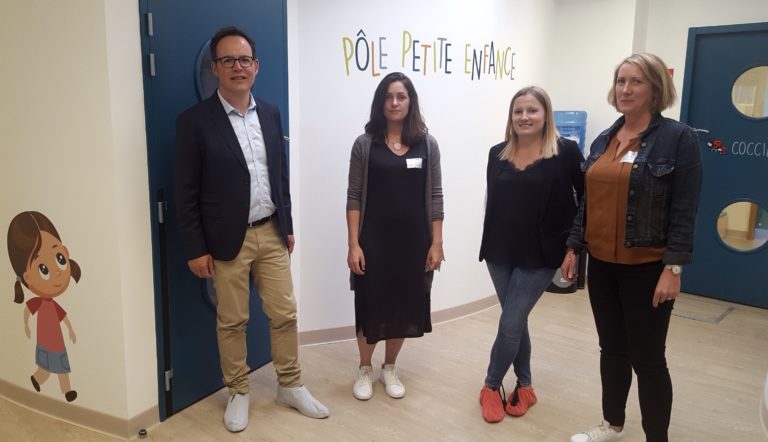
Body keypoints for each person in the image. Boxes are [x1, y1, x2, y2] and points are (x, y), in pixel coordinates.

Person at [174, 26, 328, 432]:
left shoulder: (272, 113)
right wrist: (195, 247)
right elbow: (185, 192)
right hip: (226, 241)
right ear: (215, 68)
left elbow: (279, 175)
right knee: (232, 321)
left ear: (256, 67)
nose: (237, 67)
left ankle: (290, 385)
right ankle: (238, 391)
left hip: (272, 232)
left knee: (285, 313)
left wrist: (288, 225)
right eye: (228, 60)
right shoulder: (194, 122)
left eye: (244, 60)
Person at [563, 53, 702, 442]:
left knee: (649, 360)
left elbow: (685, 210)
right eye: (621, 80)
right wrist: (574, 246)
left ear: (656, 88)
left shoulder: (678, 139)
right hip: (603, 266)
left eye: (636, 81)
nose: (625, 89)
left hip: (648, 266)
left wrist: (673, 268)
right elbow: (587, 202)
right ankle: (613, 425)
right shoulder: (605, 139)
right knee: (612, 350)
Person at [477, 86, 585, 423]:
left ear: (545, 115)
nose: (524, 117)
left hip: (542, 253)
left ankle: (490, 386)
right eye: (518, 111)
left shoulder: (566, 152)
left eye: (532, 110)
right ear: (511, 117)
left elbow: (586, 202)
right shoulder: (497, 153)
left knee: (510, 323)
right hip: (499, 250)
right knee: (516, 320)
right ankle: (525, 386)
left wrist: (574, 247)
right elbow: (493, 203)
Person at [346, 72, 444, 401]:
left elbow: (436, 196)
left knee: (403, 306)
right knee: (370, 303)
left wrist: (436, 242)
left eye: (401, 96)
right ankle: (364, 368)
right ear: (380, 102)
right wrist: (353, 244)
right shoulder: (365, 144)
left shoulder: (427, 145)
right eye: (388, 96)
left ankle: (389, 367)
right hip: (373, 242)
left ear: (410, 101)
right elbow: (354, 196)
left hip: (413, 243)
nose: (395, 102)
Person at [7, 211, 82, 403]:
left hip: (56, 343)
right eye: (43, 269)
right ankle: (38, 379)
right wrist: (25, 325)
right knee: (48, 369)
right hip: (46, 343)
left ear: (65, 252)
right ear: (28, 277)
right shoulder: (39, 303)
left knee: (58, 368)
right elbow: (27, 310)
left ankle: (67, 391)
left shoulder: (51, 304)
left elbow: (63, 317)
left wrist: (71, 330)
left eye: (59, 258)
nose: (57, 271)